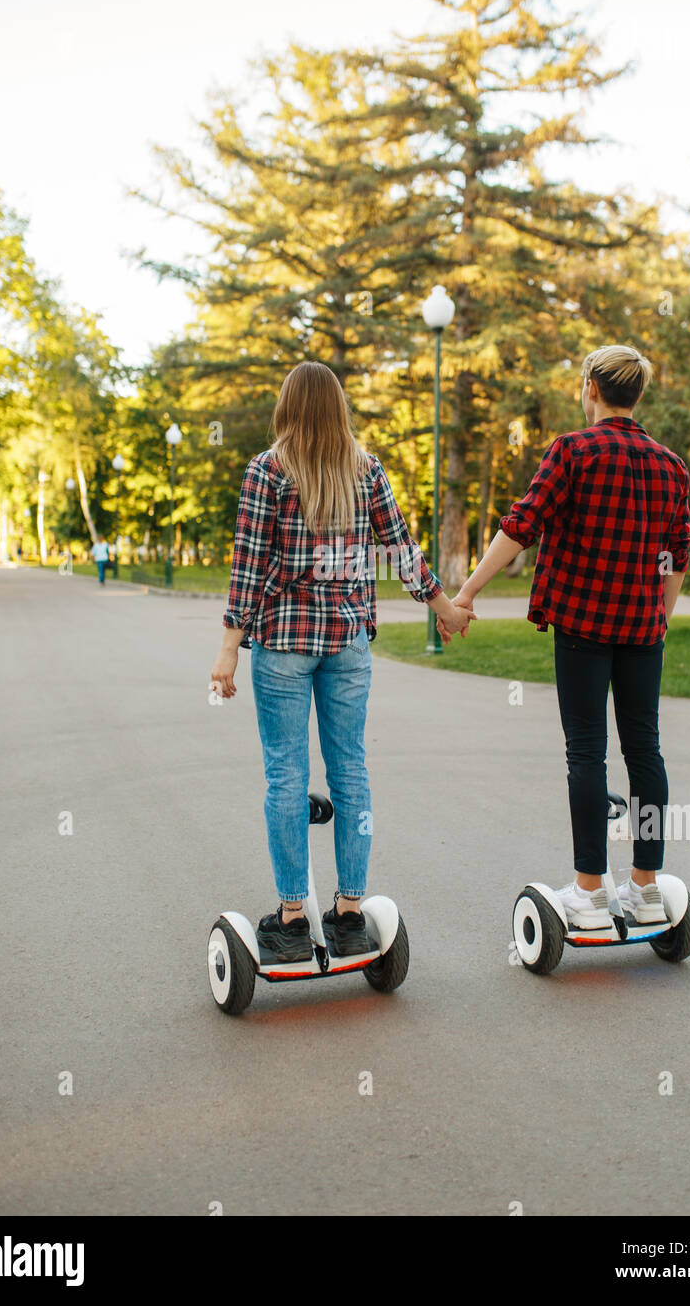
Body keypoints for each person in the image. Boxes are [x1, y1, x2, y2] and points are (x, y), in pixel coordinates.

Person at [209, 361, 475, 962]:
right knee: (350, 772)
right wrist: (444, 608)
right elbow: (400, 550)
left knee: (286, 776)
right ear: (338, 409)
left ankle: (292, 920)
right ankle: (351, 914)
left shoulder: (269, 470)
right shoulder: (366, 469)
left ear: (287, 407)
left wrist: (227, 652)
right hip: (348, 644)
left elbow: (248, 569)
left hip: (282, 645)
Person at [442, 345, 690, 929]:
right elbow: (675, 558)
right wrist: (660, 619)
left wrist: (467, 593)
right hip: (642, 630)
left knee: (587, 751)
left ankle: (589, 892)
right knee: (645, 751)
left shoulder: (572, 452)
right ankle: (646, 887)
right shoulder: (671, 465)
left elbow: (520, 527)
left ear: (590, 389)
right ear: (637, 395)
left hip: (583, 626)